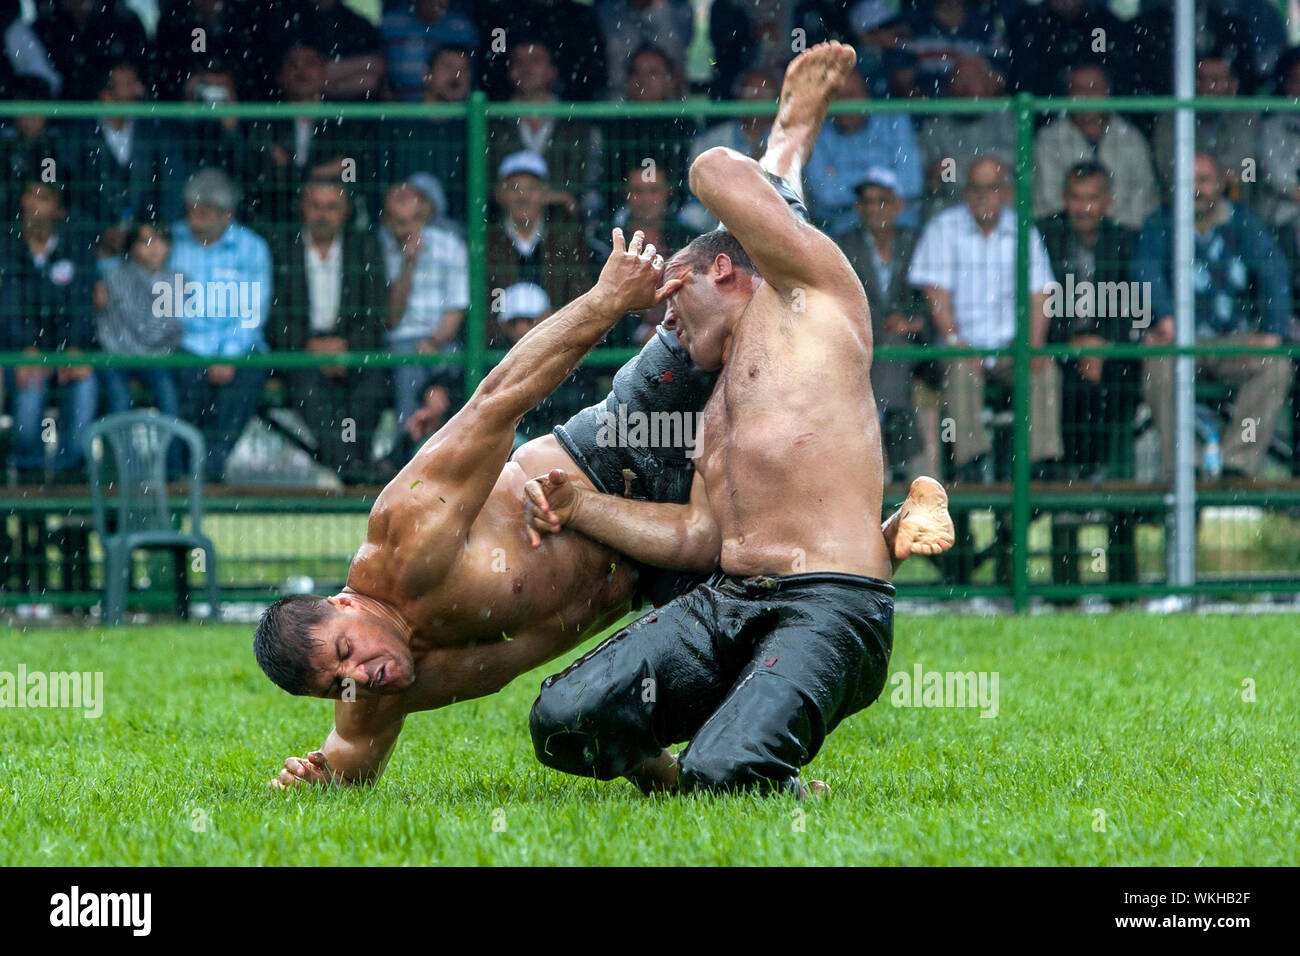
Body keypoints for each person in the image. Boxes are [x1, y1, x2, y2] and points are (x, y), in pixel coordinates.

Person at [523, 43, 954, 798]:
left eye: (672, 299)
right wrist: (585, 507)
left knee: (728, 774)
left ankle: (730, 768)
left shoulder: (817, 303)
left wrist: (788, 129)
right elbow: (698, 537)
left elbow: (714, 170)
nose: (667, 319)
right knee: (562, 717)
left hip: (830, 604)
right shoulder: (719, 397)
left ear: (716, 269)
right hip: (729, 600)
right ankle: (685, 776)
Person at [1135, 153, 1292, 481]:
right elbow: (1144, 269)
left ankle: (1237, 462)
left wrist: (1273, 331)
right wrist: (1165, 317)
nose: (1197, 189)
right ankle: (1184, 466)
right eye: (1188, 182)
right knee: (1157, 364)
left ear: (1221, 183)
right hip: (1178, 339)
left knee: (1275, 365)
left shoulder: (1244, 221)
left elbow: (1274, 271)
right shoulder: (1158, 224)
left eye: (1204, 181)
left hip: (1233, 340)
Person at [909, 156, 1063, 482]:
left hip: (1012, 347)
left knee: (1044, 369)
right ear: (965, 191)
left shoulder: (1025, 232)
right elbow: (936, 297)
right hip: (961, 345)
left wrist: (1032, 346)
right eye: (976, 187)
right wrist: (958, 343)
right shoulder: (943, 228)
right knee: (960, 366)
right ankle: (973, 463)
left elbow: (1041, 295)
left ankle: (1040, 463)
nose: (983, 195)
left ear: (1006, 192)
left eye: (991, 187)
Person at [268, 180, 388, 483]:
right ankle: (352, 471)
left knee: (373, 381)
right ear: (302, 209)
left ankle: (348, 467)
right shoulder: (283, 248)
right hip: (300, 351)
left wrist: (344, 347)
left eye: (331, 207)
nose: (323, 214)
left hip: (352, 348)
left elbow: (376, 314)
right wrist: (310, 347)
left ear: (346, 211)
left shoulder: (365, 248)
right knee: (307, 387)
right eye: (315, 206)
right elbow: (273, 317)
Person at [170, 169, 273, 481]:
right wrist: (199, 350)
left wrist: (228, 353)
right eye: (192, 210)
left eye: (206, 211)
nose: (196, 218)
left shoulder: (252, 248)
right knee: (186, 382)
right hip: (185, 345)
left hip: (241, 347)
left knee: (247, 379)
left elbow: (254, 310)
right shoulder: (171, 241)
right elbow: (166, 305)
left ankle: (210, 467)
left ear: (228, 214)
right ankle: (186, 467)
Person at [0, 181, 98, 483]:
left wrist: (74, 347)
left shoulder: (76, 251)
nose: (32, 204)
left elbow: (83, 305)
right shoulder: (7, 249)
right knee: (30, 391)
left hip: (67, 352)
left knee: (86, 385)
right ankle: (28, 474)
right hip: (22, 354)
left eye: (42, 198)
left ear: (60, 209)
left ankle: (69, 473)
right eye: (28, 196)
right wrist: (24, 348)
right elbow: (8, 305)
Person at [95, 220, 183, 422]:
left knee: (168, 398)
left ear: (169, 246)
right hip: (115, 358)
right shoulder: (112, 277)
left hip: (155, 359)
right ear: (132, 247)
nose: (153, 248)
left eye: (160, 240)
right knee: (119, 400)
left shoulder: (178, 280)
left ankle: (172, 454)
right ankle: (121, 454)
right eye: (145, 241)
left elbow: (157, 330)